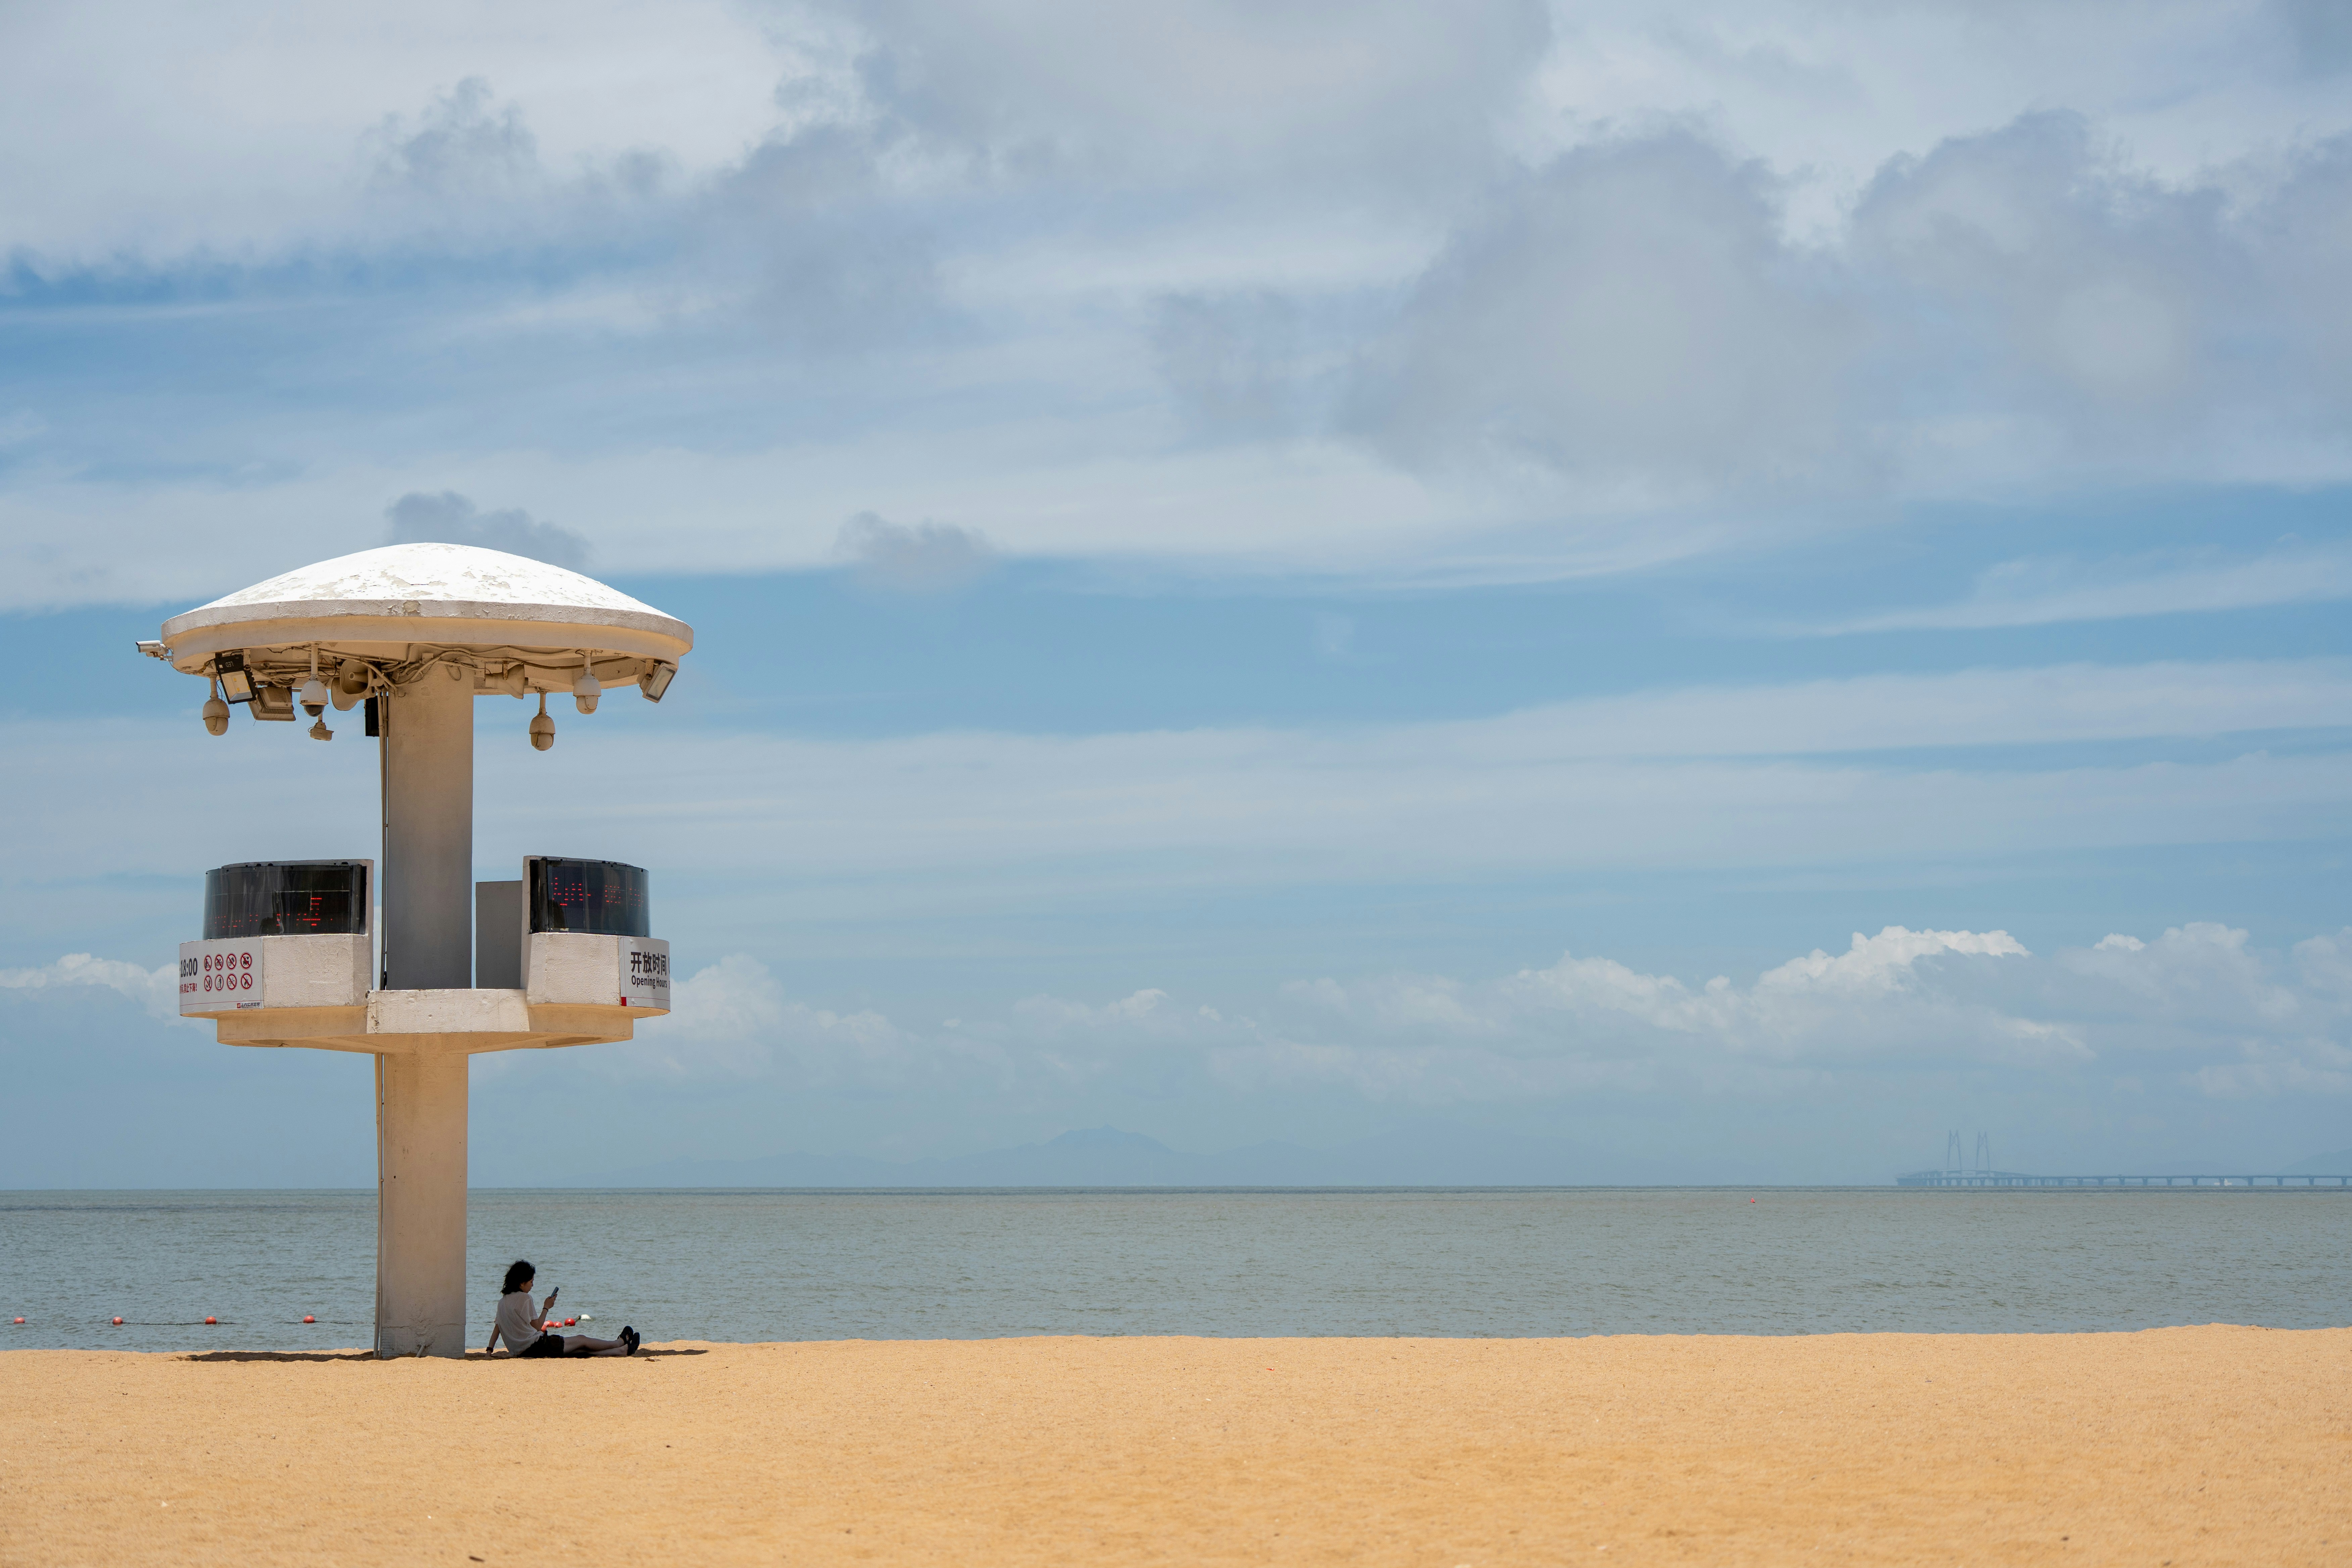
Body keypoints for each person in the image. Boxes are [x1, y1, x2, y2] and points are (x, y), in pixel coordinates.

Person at [484, 1260, 639, 1358]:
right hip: (537, 1346)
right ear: (521, 1283)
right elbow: (538, 1327)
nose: (533, 1285)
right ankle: (619, 1343)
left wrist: (489, 1351)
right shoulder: (525, 1299)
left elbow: (497, 1329)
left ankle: (622, 1350)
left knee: (580, 1351)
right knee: (582, 1340)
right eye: (531, 1281)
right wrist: (547, 1307)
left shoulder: (502, 1302)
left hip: (520, 1351)